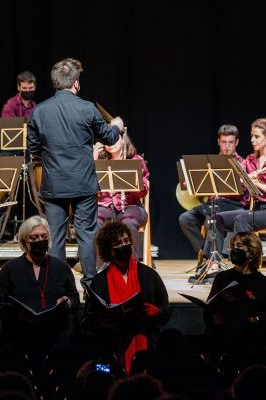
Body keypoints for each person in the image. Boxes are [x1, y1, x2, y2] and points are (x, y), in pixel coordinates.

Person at [27, 58, 124, 282]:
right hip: (83, 183)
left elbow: (34, 150)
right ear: (76, 83)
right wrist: (116, 125)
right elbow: (109, 138)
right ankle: (90, 283)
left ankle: (59, 285)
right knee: (86, 234)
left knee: (56, 237)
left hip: (54, 184)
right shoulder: (86, 108)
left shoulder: (39, 112)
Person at [194, 119, 266, 283]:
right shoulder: (251, 160)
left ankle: (242, 268)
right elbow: (237, 178)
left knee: (242, 218)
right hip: (258, 209)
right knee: (216, 217)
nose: (252, 140)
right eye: (251, 136)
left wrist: (258, 183)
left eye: (256, 137)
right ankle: (214, 265)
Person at [83, 222, 170, 374]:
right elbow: (88, 320)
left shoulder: (148, 275)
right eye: (117, 243)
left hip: (146, 345)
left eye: (126, 241)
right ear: (108, 250)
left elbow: (166, 309)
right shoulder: (99, 281)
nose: (124, 246)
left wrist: (157, 312)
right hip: (113, 347)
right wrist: (101, 322)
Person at [0, 216, 79, 358]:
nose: (39, 240)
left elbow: (74, 298)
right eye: (34, 238)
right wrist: (16, 314)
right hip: (20, 337)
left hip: (54, 337)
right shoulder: (10, 269)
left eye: (43, 236)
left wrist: (67, 303)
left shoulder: (61, 267)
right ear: (25, 241)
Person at [178, 124, 245, 258]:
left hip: (233, 206)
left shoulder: (243, 163)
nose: (227, 146)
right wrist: (193, 184)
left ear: (236, 142)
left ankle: (212, 261)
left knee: (211, 220)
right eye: (224, 142)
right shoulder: (209, 164)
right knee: (185, 219)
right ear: (218, 142)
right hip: (213, 205)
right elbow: (203, 188)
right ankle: (206, 253)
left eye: (230, 142)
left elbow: (243, 192)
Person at [203, 232, 266, 349]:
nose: (234, 250)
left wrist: (256, 319)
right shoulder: (222, 277)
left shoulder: (263, 283)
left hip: (250, 341)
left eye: (238, 246)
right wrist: (213, 318)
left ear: (252, 254)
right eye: (233, 247)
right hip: (223, 337)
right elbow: (209, 308)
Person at [95, 133, 149, 266]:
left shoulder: (135, 160)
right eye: (107, 140)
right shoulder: (100, 162)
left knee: (129, 223)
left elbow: (144, 190)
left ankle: (131, 269)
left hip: (131, 205)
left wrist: (132, 184)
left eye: (114, 139)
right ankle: (101, 270)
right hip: (105, 206)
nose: (110, 143)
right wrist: (94, 159)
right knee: (94, 223)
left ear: (123, 140)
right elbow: (87, 186)